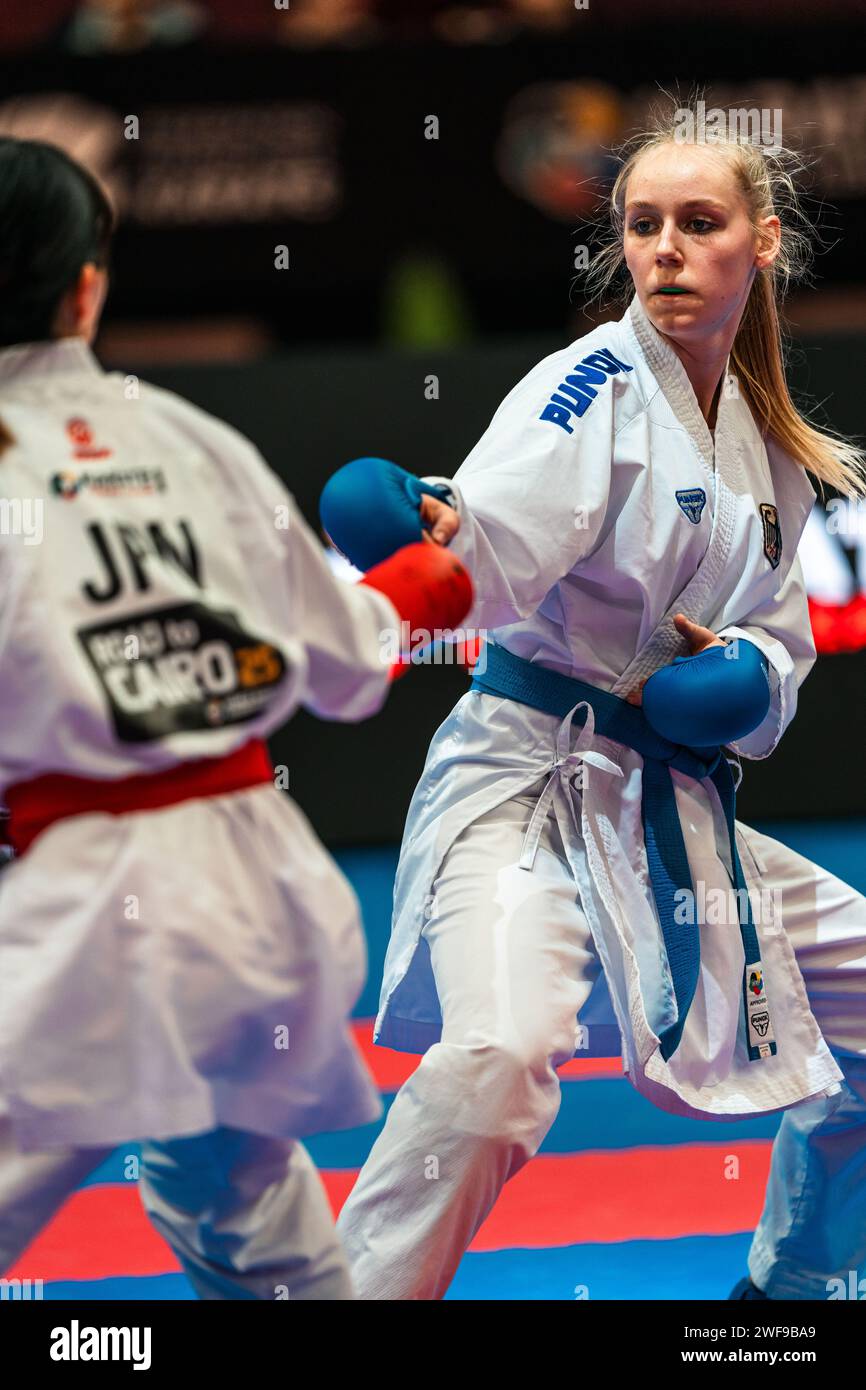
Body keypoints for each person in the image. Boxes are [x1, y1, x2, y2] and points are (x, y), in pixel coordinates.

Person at [332, 107, 866, 1300]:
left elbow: (778, 645)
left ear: (761, 243)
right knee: (498, 1058)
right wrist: (436, 538)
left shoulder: (770, 442)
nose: (666, 248)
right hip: (526, 780)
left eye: (697, 222)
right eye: (643, 226)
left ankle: (787, 1292)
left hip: (664, 805)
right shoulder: (586, 390)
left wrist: (742, 678)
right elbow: (487, 541)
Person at [0, 137, 472, 1299]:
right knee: (240, 1195)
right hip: (266, 900)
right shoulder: (185, 438)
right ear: (87, 285)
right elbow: (342, 665)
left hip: (94, 910)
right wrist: (407, 592)